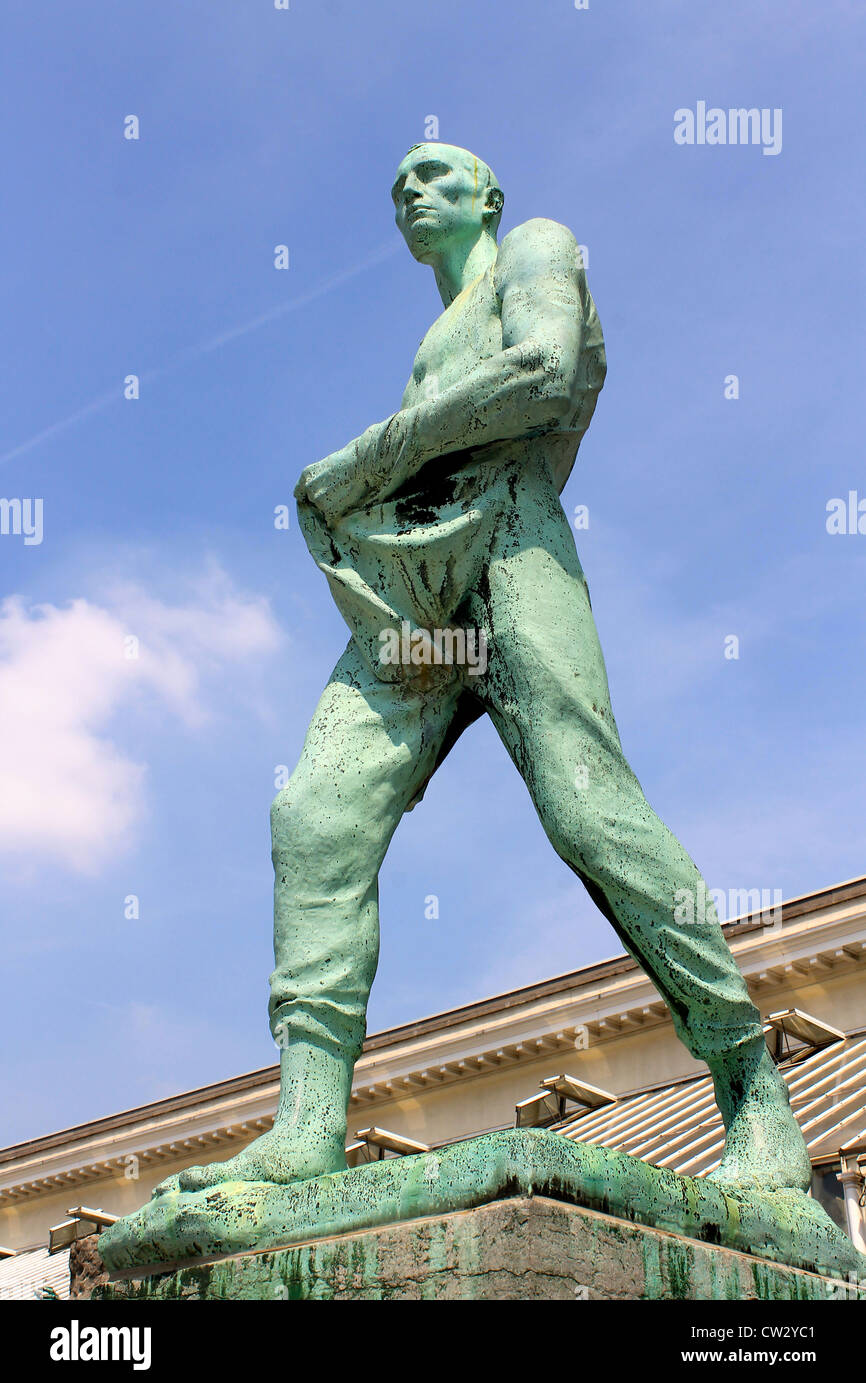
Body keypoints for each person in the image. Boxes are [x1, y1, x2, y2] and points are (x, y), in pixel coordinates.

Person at [156, 143, 810, 1199]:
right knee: (315, 815)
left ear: (489, 195)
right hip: (417, 593)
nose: (414, 193)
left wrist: (371, 455)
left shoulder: (538, 247)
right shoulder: (432, 335)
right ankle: (306, 1123)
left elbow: (542, 372)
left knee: (588, 810)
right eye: (398, 186)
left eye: (436, 176)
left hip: (510, 547)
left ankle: (751, 1091)